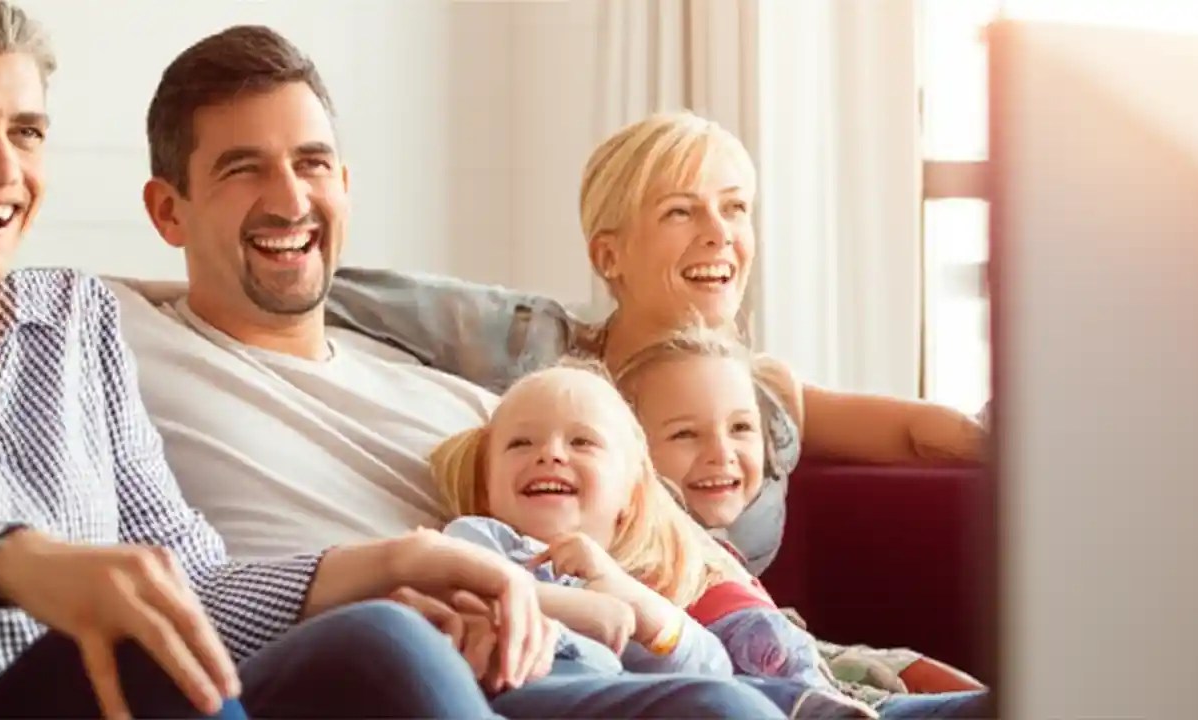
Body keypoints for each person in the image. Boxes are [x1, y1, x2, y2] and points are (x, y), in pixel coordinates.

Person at [113, 22, 788, 720]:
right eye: (242, 169)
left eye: (313, 164)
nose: (290, 200)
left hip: (534, 666)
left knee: (729, 704)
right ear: (169, 211)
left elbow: (671, 553)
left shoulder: (467, 407)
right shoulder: (115, 341)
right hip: (336, 668)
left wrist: (810, 669)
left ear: (344, 185)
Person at [0, 2, 561, 719]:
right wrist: (6, 559)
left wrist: (395, 563)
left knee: (383, 637)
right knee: (142, 644)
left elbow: (193, 580)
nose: (1, 168)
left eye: (25, 133)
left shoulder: (75, 319)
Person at [319, 111, 988, 575]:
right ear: (608, 255)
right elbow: (335, 293)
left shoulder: (766, 396)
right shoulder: (534, 347)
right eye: (680, 211)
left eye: (735, 207)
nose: (720, 232)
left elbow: (917, 434)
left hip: (729, 643)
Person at [430, 362, 878, 718]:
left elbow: (708, 665)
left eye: (582, 442)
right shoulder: (481, 538)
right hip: (536, 693)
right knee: (722, 704)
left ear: (629, 495)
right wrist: (588, 608)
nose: (549, 453)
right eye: (520, 444)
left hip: (640, 696)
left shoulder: (625, 577)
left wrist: (633, 603)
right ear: (487, 486)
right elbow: (474, 595)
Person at [613, 324, 991, 716]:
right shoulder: (637, 555)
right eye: (685, 434)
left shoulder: (715, 552)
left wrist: (899, 666)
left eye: (741, 428)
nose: (722, 452)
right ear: (626, 455)